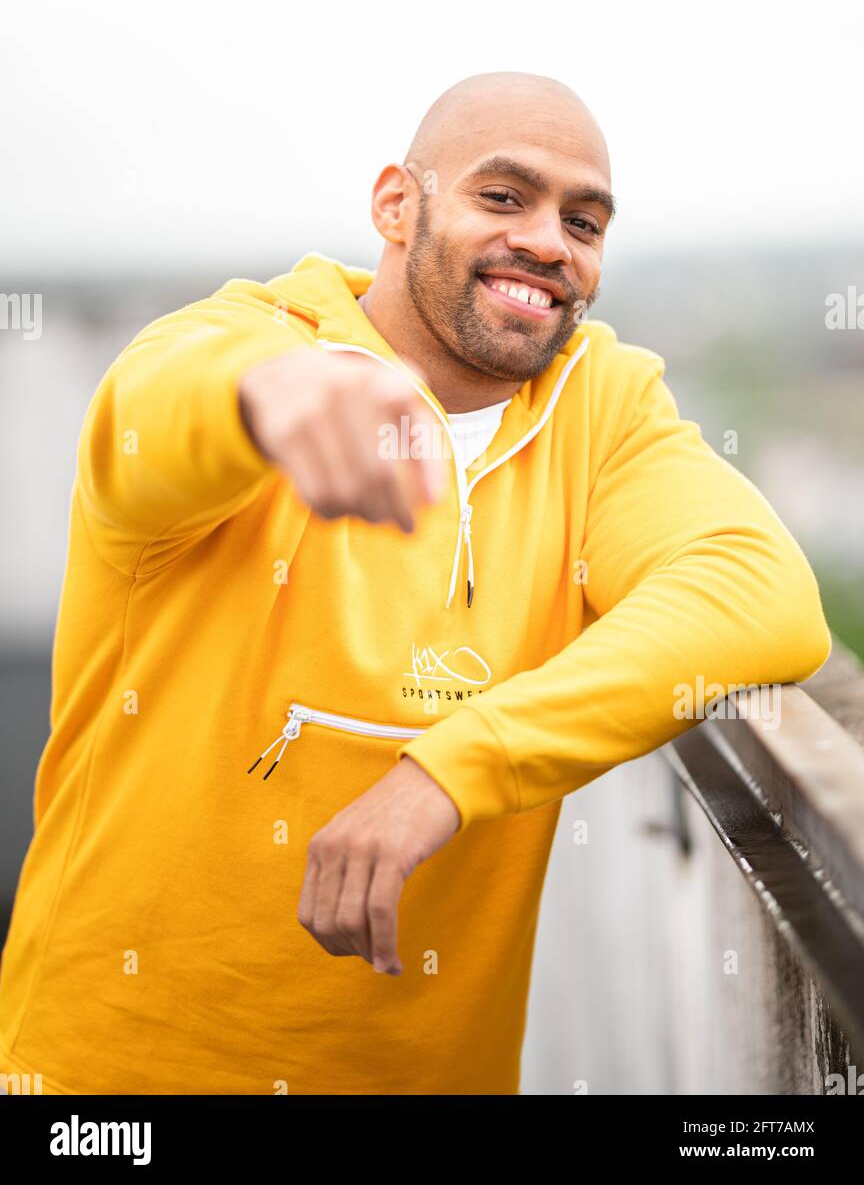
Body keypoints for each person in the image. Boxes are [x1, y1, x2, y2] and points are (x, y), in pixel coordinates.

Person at [0, 72, 831, 1096]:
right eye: (503, 196)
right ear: (397, 204)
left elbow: (761, 593)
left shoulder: (603, 412)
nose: (549, 240)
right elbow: (154, 418)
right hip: (113, 1081)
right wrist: (278, 397)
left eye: (584, 220)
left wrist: (453, 768)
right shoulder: (238, 349)